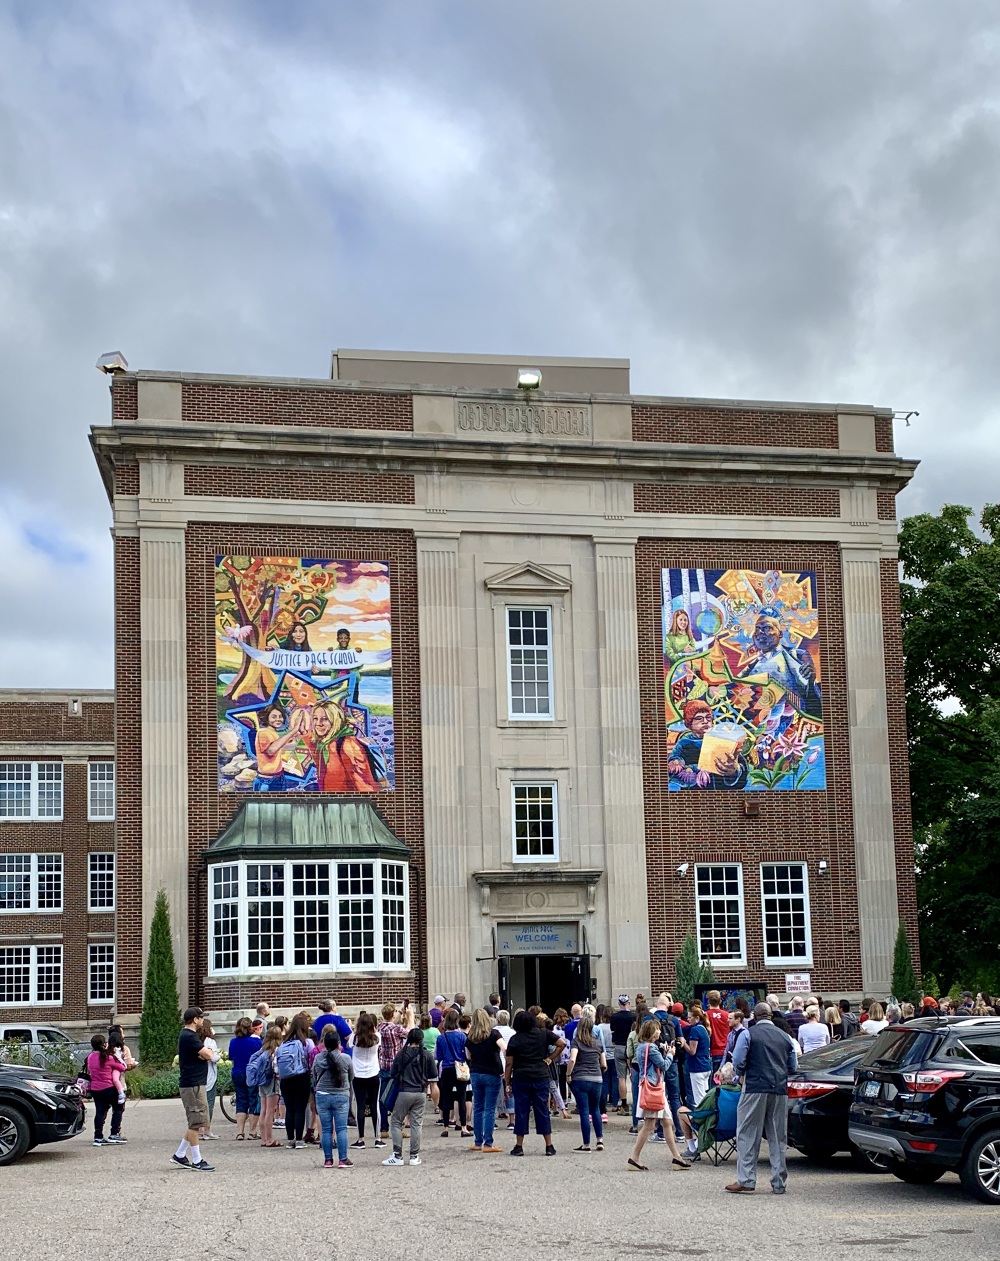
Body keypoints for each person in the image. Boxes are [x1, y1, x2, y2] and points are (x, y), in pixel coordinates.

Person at [726, 1002, 796, 1194]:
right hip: (779, 1088)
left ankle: (747, 1179)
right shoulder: (786, 1037)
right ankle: (779, 1182)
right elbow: (793, 1065)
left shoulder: (749, 1034)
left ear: (755, 1017)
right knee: (778, 1136)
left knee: (748, 1132)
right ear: (771, 1016)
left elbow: (738, 1060)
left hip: (755, 1086)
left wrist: (739, 1073)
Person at [627, 1019, 690, 1173]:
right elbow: (664, 1065)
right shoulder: (651, 1048)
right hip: (654, 1088)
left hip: (651, 1087)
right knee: (649, 1124)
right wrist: (670, 1054)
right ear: (652, 1032)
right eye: (657, 1030)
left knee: (667, 1122)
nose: (660, 1032)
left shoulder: (642, 1047)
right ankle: (634, 1158)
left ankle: (676, 1158)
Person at [504, 1010, 565, 1157]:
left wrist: (507, 1082)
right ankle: (549, 1146)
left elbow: (509, 1064)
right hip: (540, 1075)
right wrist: (550, 1058)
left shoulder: (514, 1039)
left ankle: (519, 1146)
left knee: (521, 1111)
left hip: (521, 1077)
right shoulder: (543, 1033)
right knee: (542, 1110)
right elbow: (561, 1043)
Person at [383, 1027, 440, 1166]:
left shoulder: (402, 1054)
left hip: (404, 1091)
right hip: (420, 1092)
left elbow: (393, 1073)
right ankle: (414, 1155)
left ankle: (397, 1155)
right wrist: (436, 1104)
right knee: (416, 1124)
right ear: (422, 1040)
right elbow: (433, 1080)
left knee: (396, 1121)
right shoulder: (427, 1055)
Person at [171, 1007, 215, 1172]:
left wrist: (204, 1053)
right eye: (201, 1018)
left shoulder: (187, 1036)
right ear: (195, 1019)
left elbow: (205, 1054)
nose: (202, 1021)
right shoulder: (190, 1036)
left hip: (193, 1083)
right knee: (196, 1122)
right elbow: (210, 1055)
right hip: (193, 1084)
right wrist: (207, 1052)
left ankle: (180, 1154)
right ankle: (197, 1160)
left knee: (195, 1121)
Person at [668, 698, 748, 789]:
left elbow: (742, 766)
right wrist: (679, 764)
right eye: (699, 718)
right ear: (689, 724)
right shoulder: (684, 743)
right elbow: (674, 766)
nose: (705, 721)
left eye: (708, 717)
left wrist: (735, 770)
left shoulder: (724, 740)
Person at [312, 1028, 355, 1169]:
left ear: (324, 1043)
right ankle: (343, 1159)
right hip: (341, 1095)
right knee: (341, 1128)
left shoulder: (318, 1058)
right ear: (338, 1043)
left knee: (326, 1129)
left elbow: (314, 1076)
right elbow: (351, 1077)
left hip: (322, 1095)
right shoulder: (345, 1058)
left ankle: (328, 1160)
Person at [465, 1007, 505, 1153]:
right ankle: (488, 1143)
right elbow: (505, 1048)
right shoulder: (494, 1034)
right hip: (493, 1073)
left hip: (476, 1073)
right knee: (490, 1108)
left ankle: (477, 1141)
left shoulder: (470, 1037)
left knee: (478, 1107)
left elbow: (468, 1056)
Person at [567, 1012, 607, 1152]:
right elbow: (604, 1063)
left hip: (580, 1078)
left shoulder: (576, 1041)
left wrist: (568, 1073)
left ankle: (586, 1144)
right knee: (595, 1109)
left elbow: (572, 1059)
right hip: (597, 1079)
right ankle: (600, 1140)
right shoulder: (597, 1042)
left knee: (584, 1111)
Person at [277, 1013, 315, 1149]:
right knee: (300, 1108)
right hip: (301, 1077)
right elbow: (312, 1059)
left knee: (290, 1109)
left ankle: (290, 1140)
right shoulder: (307, 1042)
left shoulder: (284, 1042)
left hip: (286, 1079)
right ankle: (299, 1139)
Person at [376, 1002, 412, 1140]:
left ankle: (383, 1128)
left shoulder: (380, 1027)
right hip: (396, 1067)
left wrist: (400, 1013)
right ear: (392, 1014)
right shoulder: (396, 1030)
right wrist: (409, 1017)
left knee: (383, 1097)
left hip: (383, 1065)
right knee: (398, 1098)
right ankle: (398, 1127)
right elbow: (411, 1034)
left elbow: (390, 1023)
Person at [349, 1011, 383, 1148]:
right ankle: (378, 1137)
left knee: (360, 1106)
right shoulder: (377, 1037)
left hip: (358, 1075)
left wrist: (352, 1027)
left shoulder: (354, 1038)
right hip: (373, 1073)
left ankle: (361, 1138)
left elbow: (348, 1044)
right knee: (375, 1106)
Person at [86, 1033, 126, 1147]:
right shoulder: (108, 1057)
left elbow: (90, 1069)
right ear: (104, 1044)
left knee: (99, 1112)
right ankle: (114, 1134)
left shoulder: (90, 1057)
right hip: (108, 1087)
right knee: (118, 1109)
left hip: (95, 1089)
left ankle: (98, 1136)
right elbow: (122, 1068)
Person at [435, 1009, 471, 1138]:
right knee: (461, 1098)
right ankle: (464, 1127)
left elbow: (437, 1056)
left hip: (446, 1068)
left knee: (446, 1098)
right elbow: (467, 1054)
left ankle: (445, 1127)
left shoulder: (441, 1037)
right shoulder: (462, 1036)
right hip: (459, 1068)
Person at [228, 1016, 262, 1140]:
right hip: (251, 1073)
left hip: (237, 1072)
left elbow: (231, 1057)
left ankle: (240, 1132)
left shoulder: (233, 1041)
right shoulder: (256, 1042)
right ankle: (252, 1131)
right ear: (250, 1028)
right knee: (253, 1100)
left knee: (241, 1101)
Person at [255, 1024, 284, 1148]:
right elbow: (277, 1069)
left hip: (262, 1081)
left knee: (263, 1109)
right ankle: (270, 1139)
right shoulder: (277, 1051)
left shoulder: (263, 1050)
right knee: (270, 1110)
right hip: (273, 1081)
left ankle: (263, 1138)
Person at [609, 994, 634, 1113]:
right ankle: (636, 1100)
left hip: (619, 1047)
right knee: (634, 1075)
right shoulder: (634, 1016)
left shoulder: (614, 1017)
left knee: (621, 1077)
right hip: (631, 1047)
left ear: (619, 1004)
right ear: (628, 1003)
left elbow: (612, 1030)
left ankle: (624, 1105)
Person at [683, 1007, 712, 1106]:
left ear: (697, 1018)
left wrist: (683, 1043)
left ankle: (701, 1120)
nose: (688, 1019)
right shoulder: (704, 1028)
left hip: (697, 1067)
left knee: (699, 1100)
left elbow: (692, 1051)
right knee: (705, 1097)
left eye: (690, 1017)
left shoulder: (695, 1030)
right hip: (706, 1066)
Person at [199, 1017, 221, 1140]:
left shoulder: (196, 1040)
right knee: (209, 1103)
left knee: (199, 1104)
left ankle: (199, 1130)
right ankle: (207, 1130)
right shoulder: (210, 1041)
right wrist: (218, 1057)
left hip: (198, 1076)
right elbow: (213, 1057)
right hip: (209, 1075)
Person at [704, 990, 730, 1073]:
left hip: (711, 1052)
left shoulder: (705, 1015)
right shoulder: (727, 1015)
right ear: (720, 1001)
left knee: (712, 1082)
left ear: (708, 1001)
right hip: (725, 1051)